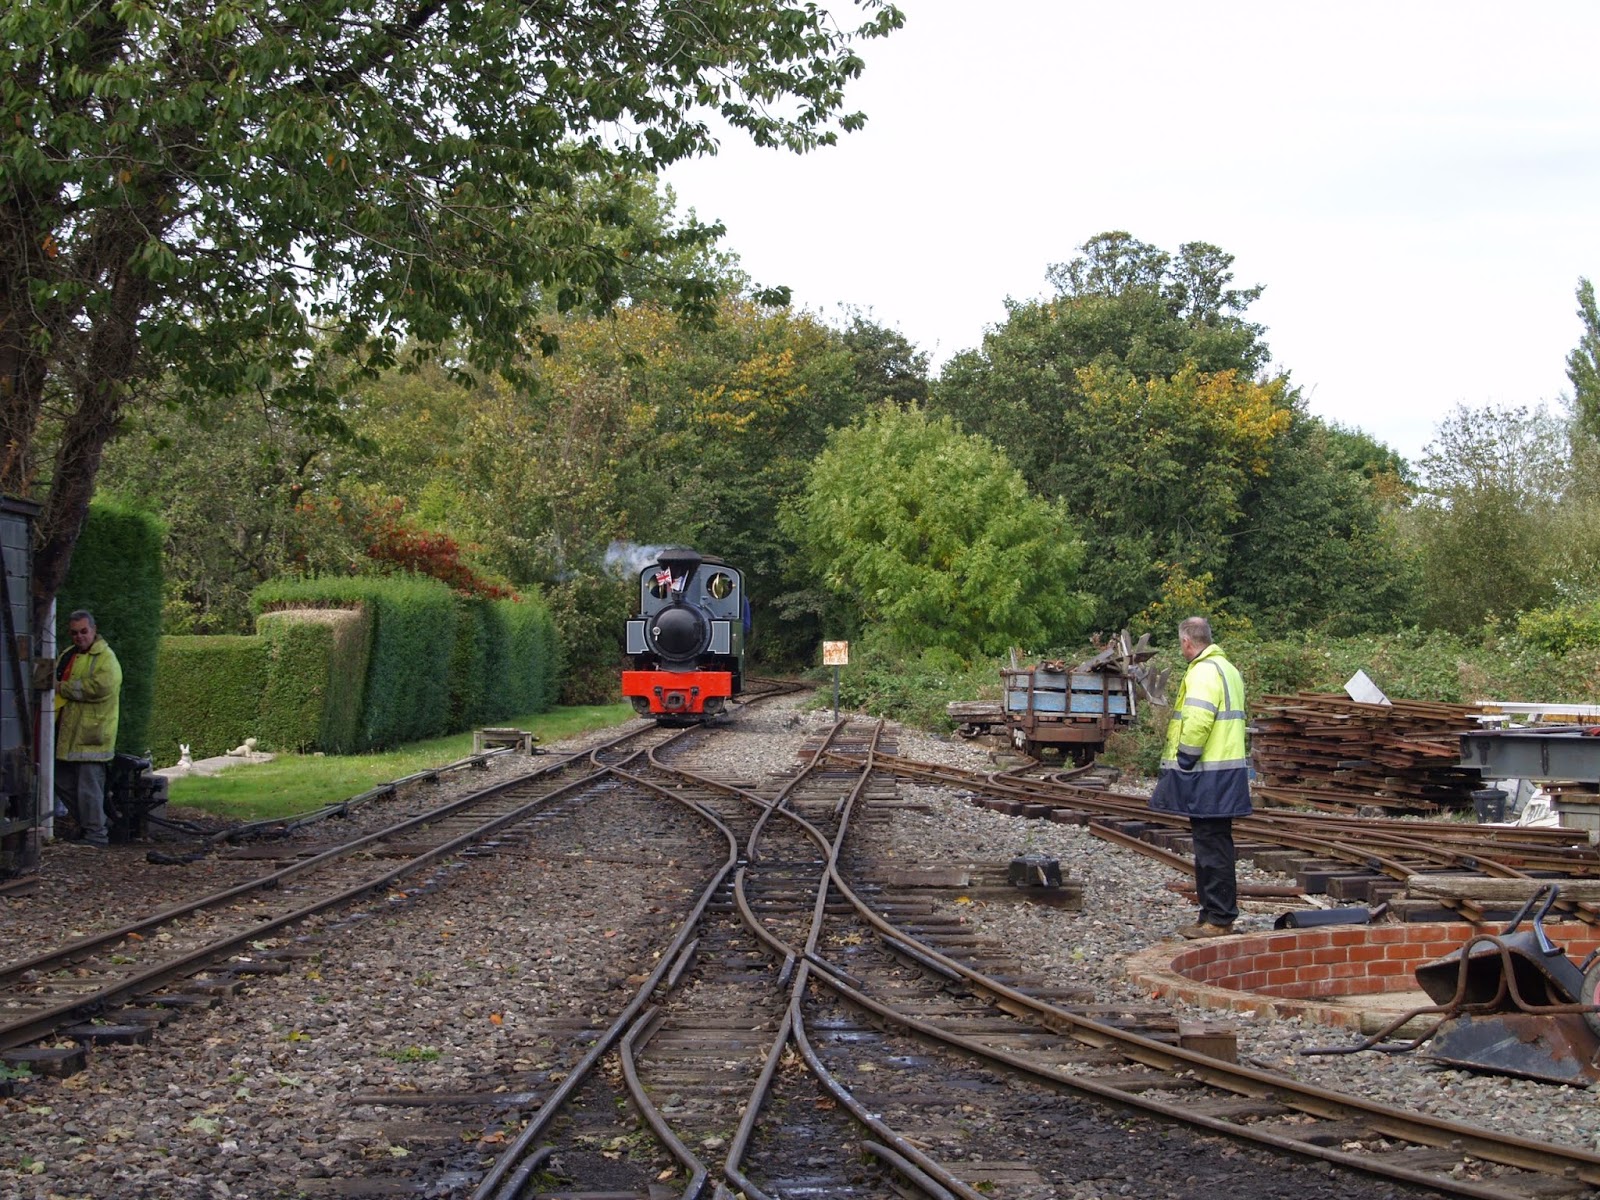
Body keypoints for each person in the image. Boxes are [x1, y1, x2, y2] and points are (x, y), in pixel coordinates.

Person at [1149, 616, 1250, 939]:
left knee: (1212, 849)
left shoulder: (1204, 672)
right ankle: (1211, 914)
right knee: (1213, 845)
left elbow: (1198, 719)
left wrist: (1185, 757)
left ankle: (1218, 918)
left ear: (1186, 642)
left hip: (1210, 775)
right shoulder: (1227, 669)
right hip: (1226, 773)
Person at [54, 609, 122, 847]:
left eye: (84, 631)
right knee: (61, 781)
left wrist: (62, 688)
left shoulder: (106, 658)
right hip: (69, 733)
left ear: (93, 630)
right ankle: (95, 825)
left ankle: (96, 834)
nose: (79, 637)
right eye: (74, 633)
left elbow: (101, 687)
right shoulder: (69, 654)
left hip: (92, 736)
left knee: (88, 789)